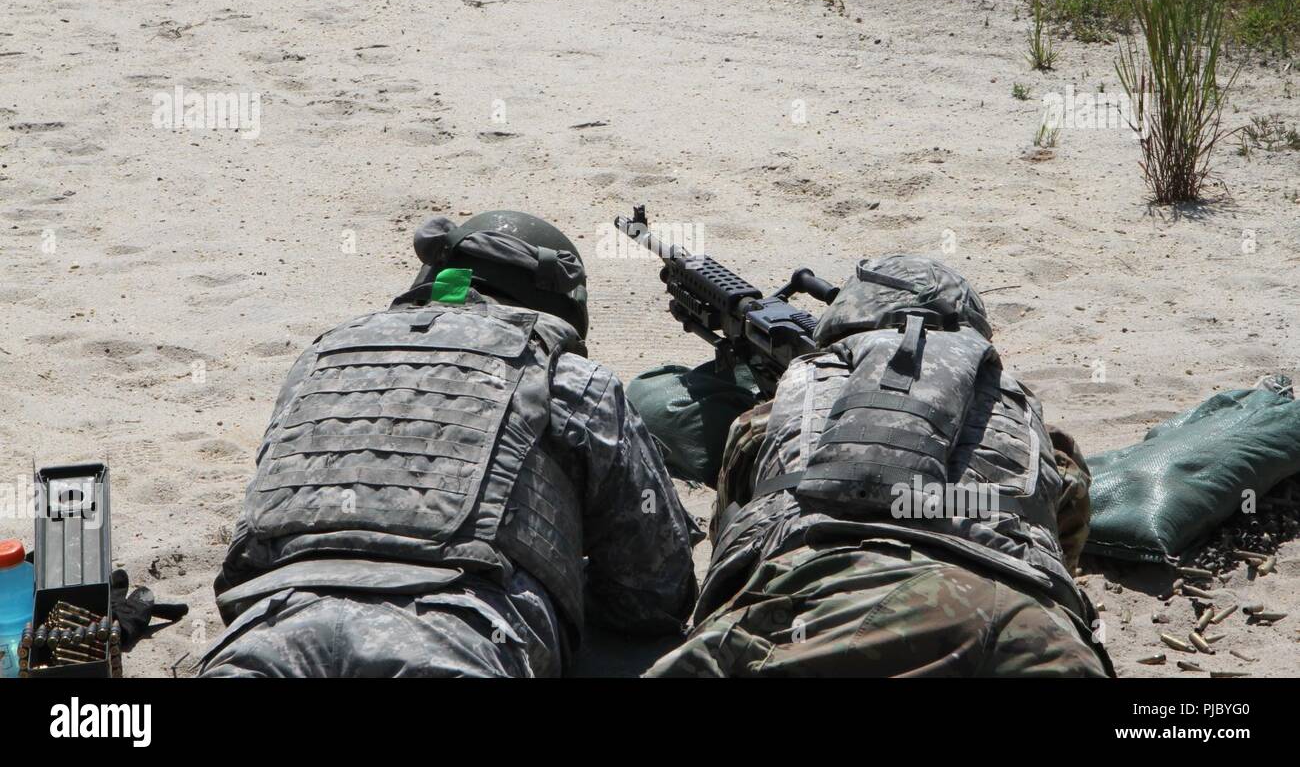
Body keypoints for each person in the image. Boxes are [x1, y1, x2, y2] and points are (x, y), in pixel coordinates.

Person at [201, 211, 700, 677]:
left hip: (273, 622)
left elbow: (245, 553)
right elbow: (653, 593)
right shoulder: (571, 379)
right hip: (457, 634)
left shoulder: (319, 359)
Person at [646, 254, 1112, 677]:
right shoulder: (1022, 415)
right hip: (1020, 622)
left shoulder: (783, 404)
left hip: (820, 600)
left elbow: (737, 532)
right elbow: (1064, 513)